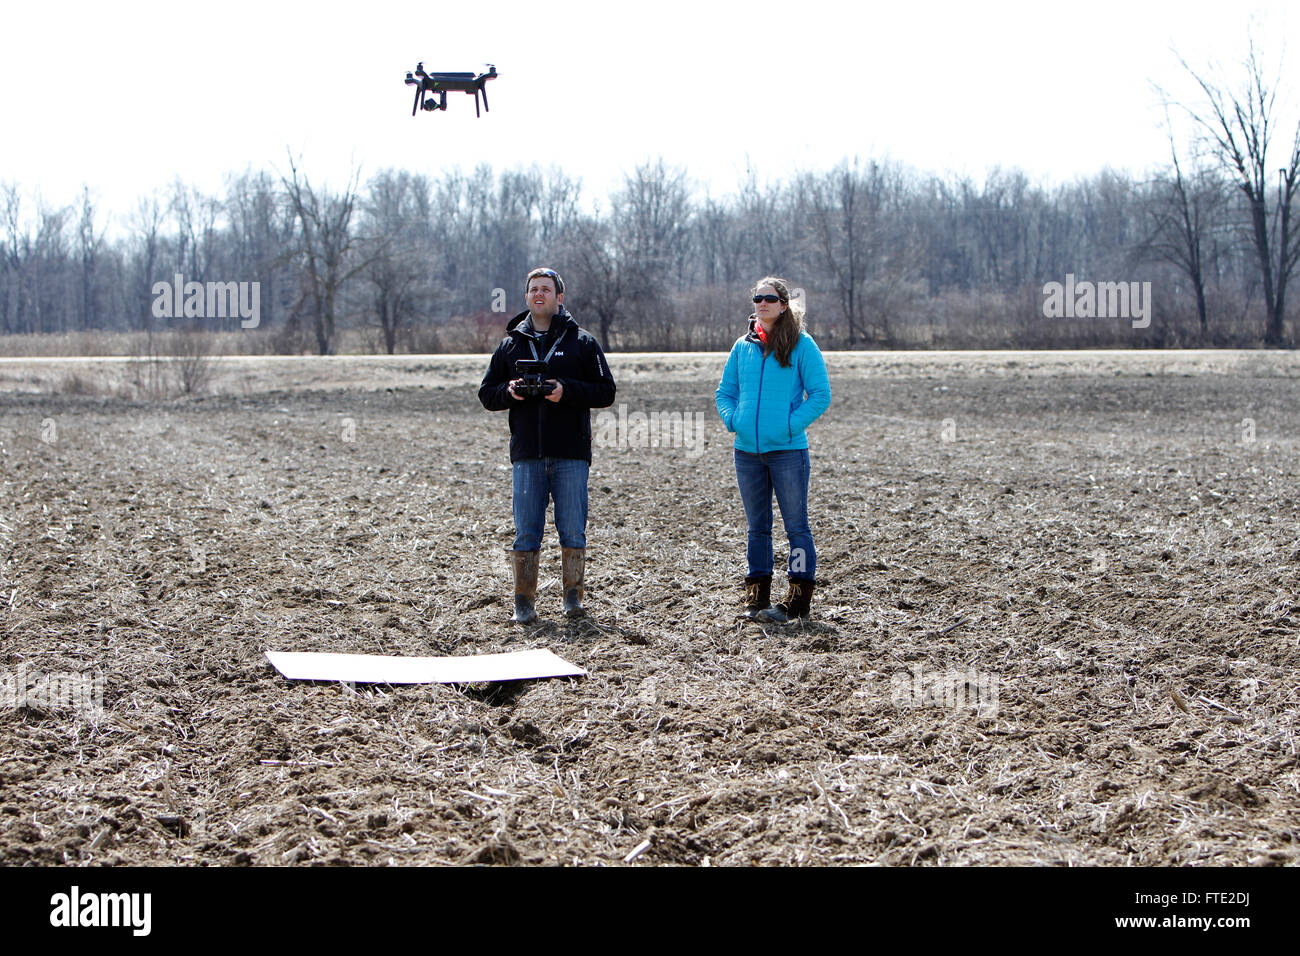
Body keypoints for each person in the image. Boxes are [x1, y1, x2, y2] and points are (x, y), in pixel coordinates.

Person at [479, 268, 616, 623]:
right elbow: (486, 394)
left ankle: (573, 598)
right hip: (527, 453)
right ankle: (523, 600)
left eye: (546, 289)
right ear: (526, 298)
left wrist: (565, 391)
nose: (539, 295)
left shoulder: (582, 342)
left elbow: (606, 392)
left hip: (571, 452)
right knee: (526, 529)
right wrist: (509, 391)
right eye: (533, 290)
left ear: (560, 298)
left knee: (573, 527)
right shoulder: (510, 344)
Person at [715, 277, 831, 622]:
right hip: (746, 452)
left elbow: (820, 395)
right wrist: (733, 420)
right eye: (757, 298)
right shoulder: (742, 346)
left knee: (796, 526)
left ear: (783, 304)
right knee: (757, 527)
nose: (762, 303)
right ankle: (757, 596)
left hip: (787, 452)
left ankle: (798, 598)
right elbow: (725, 393)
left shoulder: (802, 345)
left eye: (769, 298)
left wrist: (788, 426)